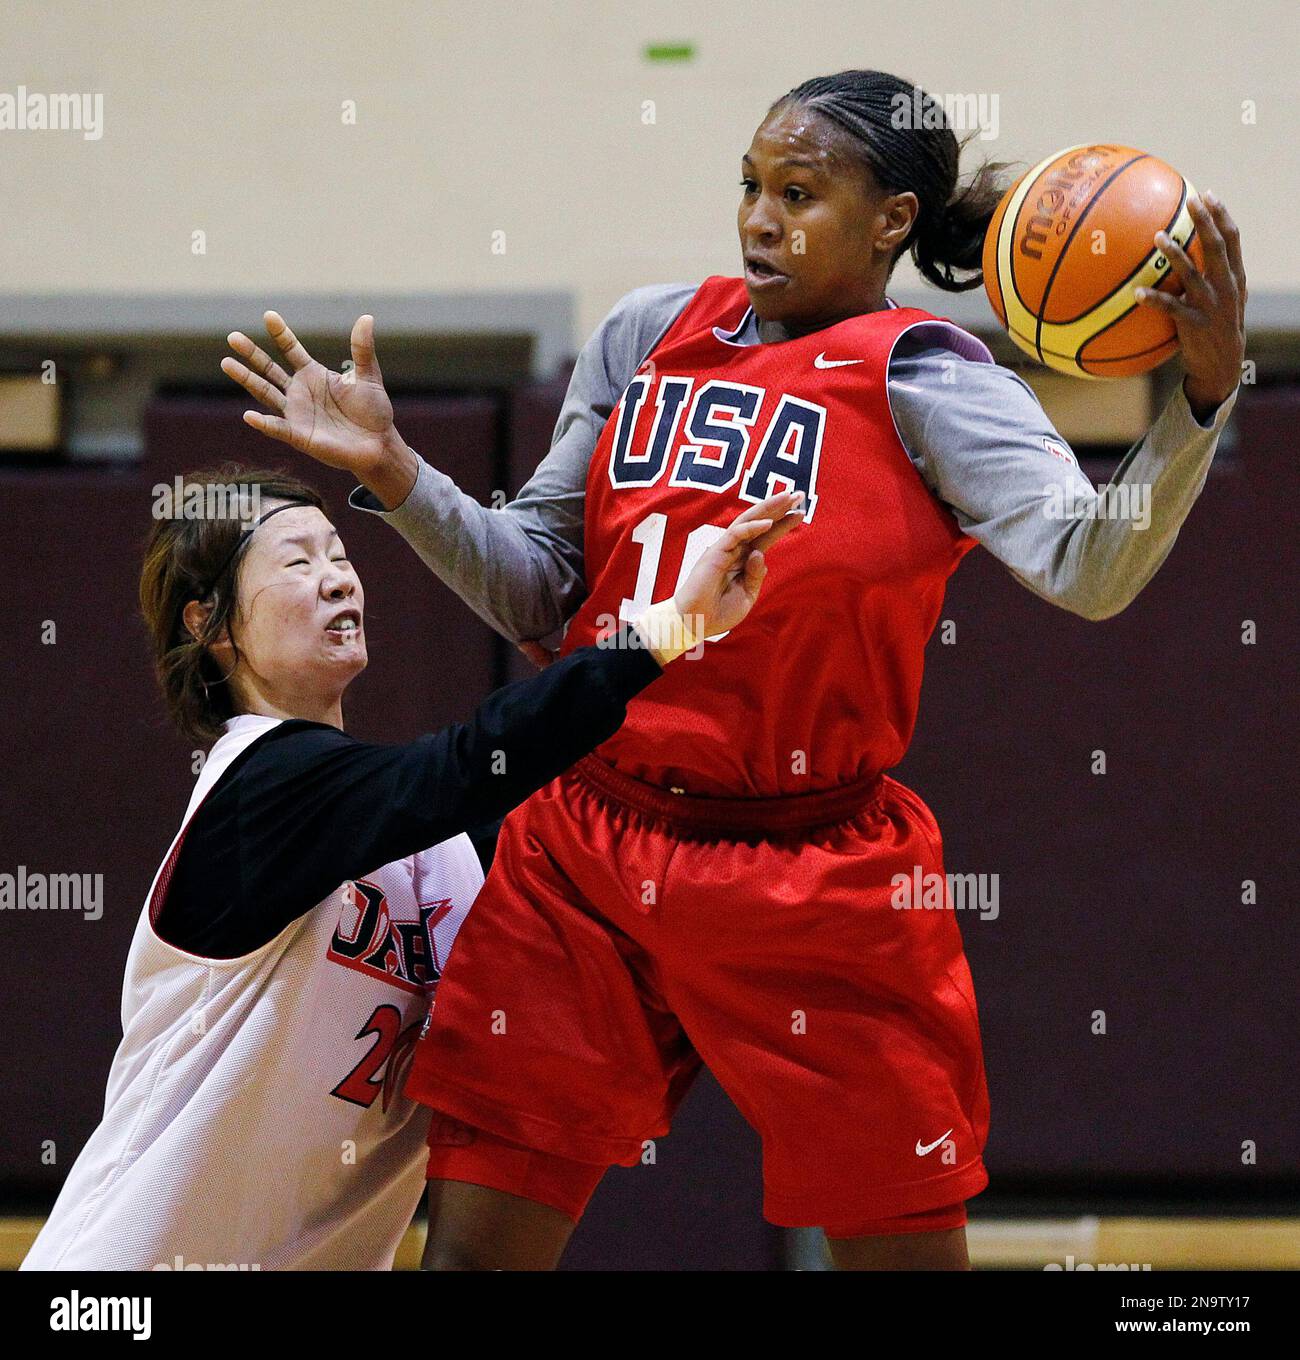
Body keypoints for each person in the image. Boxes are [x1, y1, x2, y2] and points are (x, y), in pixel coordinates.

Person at [222, 68, 1246, 1270]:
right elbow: (539, 584)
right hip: (588, 841)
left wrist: (1200, 397)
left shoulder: (936, 380)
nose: (760, 217)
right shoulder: (647, 332)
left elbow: (1089, 569)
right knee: (471, 1259)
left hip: (812, 867)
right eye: (750, 187)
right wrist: (399, 473)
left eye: (798, 193)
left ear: (892, 222)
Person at [21, 466, 800, 1270]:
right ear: (211, 623)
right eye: (296, 563)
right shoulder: (255, 788)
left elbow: (578, 815)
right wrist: (666, 627)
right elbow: (470, 764)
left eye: (338, 555)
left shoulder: (438, 856)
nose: (334, 580)